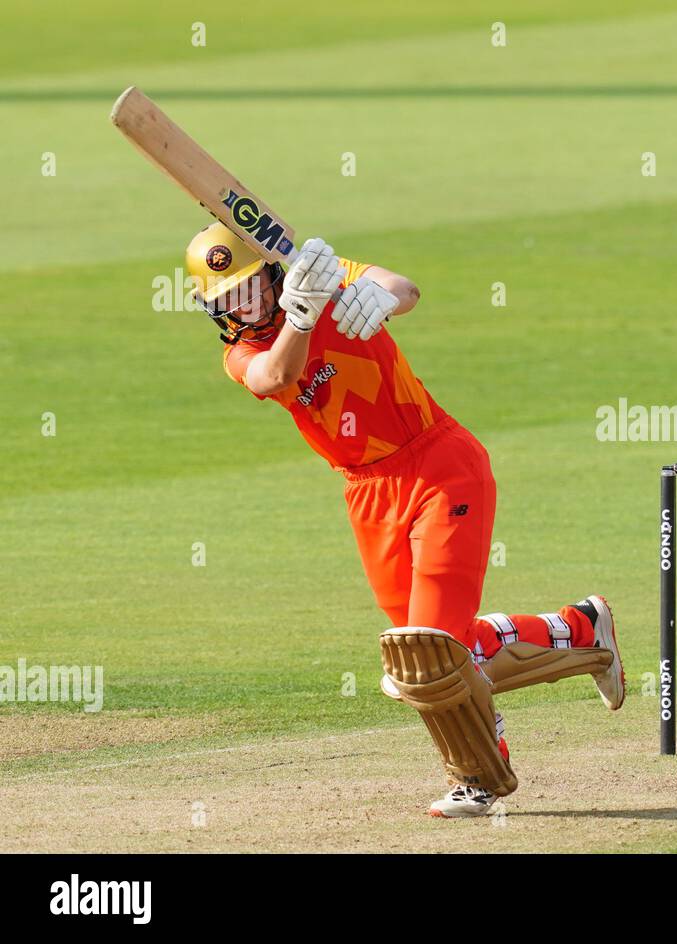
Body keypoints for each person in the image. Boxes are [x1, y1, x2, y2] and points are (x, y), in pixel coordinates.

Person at [185, 223, 624, 816]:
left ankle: (478, 777)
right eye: (225, 300)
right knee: (423, 662)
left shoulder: (322, 276)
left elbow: (403, 287)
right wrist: (302, 318)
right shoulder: (244, 353)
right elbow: (276, 377)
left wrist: (376, 295)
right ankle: (580, 628)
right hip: (368, 495)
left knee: (433, 651)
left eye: (248, 289)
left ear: (271, 274)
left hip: (440, 465)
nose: (241, 308)